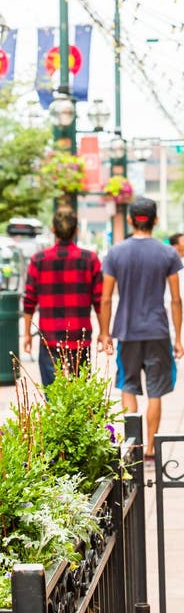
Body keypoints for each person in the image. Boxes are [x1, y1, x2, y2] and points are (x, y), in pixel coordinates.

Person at [99, 196, 183, 461]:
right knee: (156, 391)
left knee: (128, 386)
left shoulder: (116, 253)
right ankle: (149, 450)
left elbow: (106, 297)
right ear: (155, 220)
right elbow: (175, 298)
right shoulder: (168, 253)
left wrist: (104, 333)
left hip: (127, 330)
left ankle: (133, 448)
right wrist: (178, 337)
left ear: (130, 219)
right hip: (158, 330)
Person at [22, 206, 103, 386]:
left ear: (53, 229)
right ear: (76, 230)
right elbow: (99, 300)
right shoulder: (90, 259)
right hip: (79, 336)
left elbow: (29, 300)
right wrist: (104, 332)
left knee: (53, 396)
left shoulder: (38, 260)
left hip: (50, 337)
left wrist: (27, 334)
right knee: (79, 395)